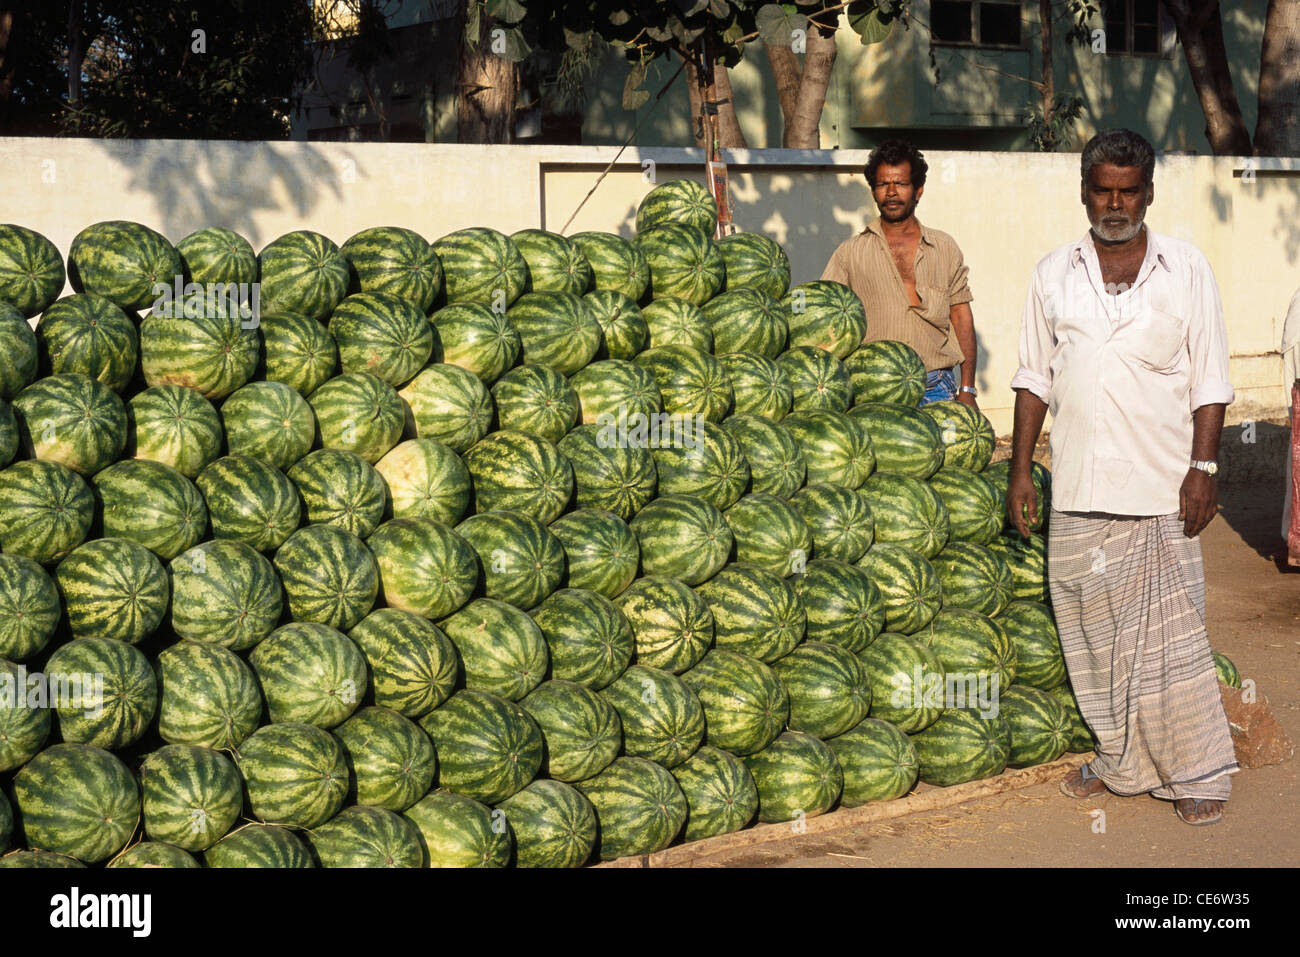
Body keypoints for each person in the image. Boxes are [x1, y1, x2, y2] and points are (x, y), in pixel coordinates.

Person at [1007, 128, 1238, 826]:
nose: (1115, 203)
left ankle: (1199, 771)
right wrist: (1021, 467)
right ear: (1085, 191)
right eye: (1102, 190)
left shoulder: (1187, 268)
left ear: (1148, 193)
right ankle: (1122, 762)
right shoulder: (1053, 273)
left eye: (1127, 190)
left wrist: (1204, 467)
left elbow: (1211, 378)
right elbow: (1031, 377)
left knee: (1171, 640)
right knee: (1094, 638)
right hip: (1077, 486)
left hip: (1162, 488)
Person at [820, 139, 979, 408]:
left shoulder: (944, 248)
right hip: (874, 391)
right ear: (873, 191)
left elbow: (961, 317)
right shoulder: (850, 253)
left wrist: (968, 388)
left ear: (918, 190)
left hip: (937, 387)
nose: (891, 192)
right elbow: (825, 319)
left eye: (901, 184)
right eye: (883, 184)